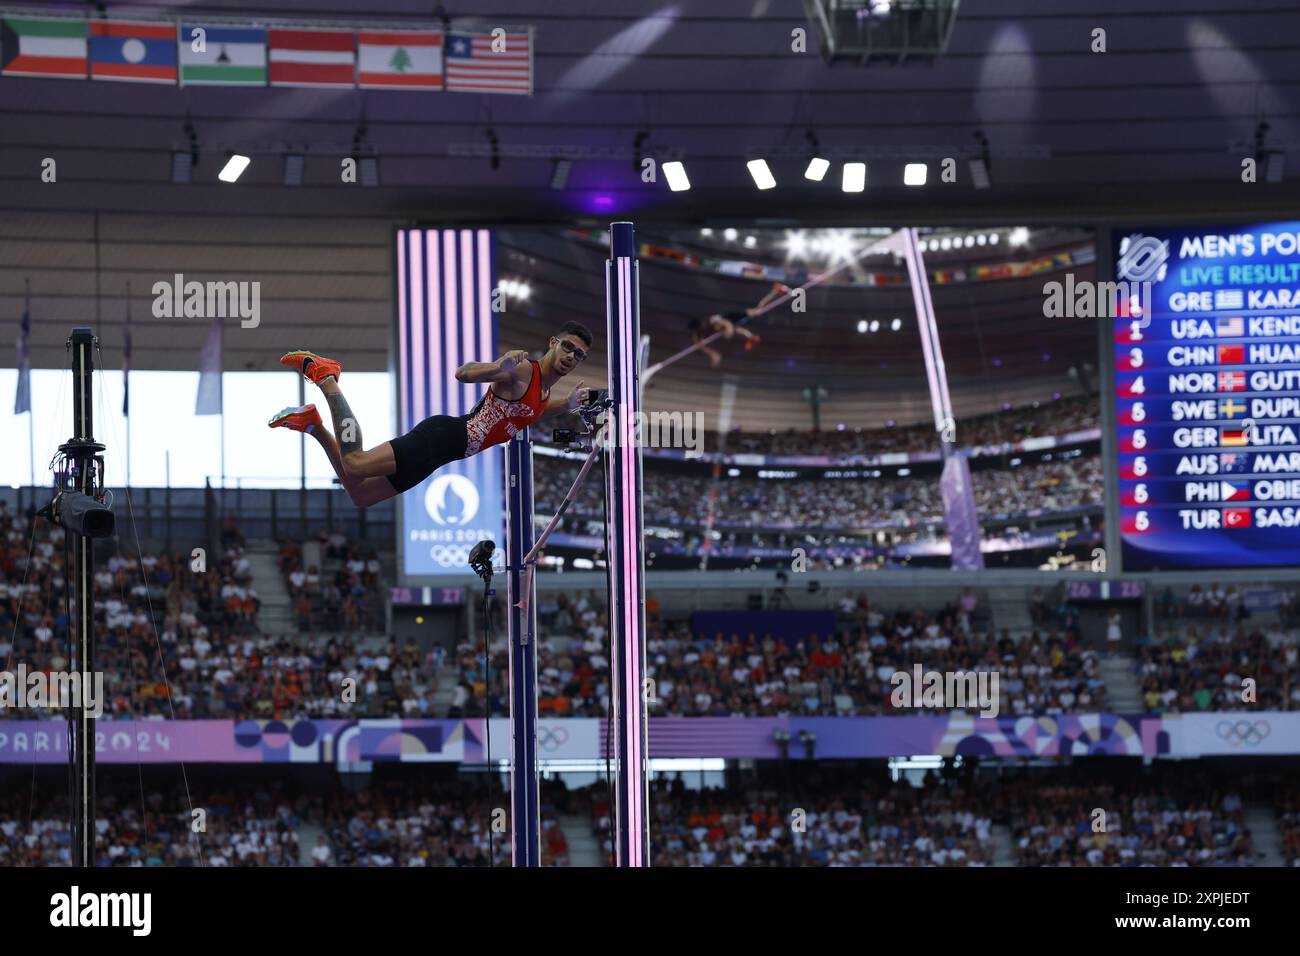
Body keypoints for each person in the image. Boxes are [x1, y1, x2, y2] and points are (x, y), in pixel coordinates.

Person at [268, 321, 594, 507]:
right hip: (444, 436)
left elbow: (533, 411)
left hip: (441, 456)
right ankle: (327, 378)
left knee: (359, 494)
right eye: (568, 347)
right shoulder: (522, 371)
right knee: (354, 464)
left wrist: (567, 405)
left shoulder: (544, 394)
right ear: (553, 342)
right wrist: (498, 367)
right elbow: (463, 374)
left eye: (578, 355)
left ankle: (313, 425)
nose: (571, 356)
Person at [687, 283, 785, 367]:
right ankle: (751, 337)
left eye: (702, 326)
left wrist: (728, 333)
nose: (702, 328)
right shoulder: (697, 332)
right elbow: (699, 344)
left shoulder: (711, 320)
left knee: (757, 311)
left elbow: (726, 323)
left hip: (730, 317)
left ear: (701, 324)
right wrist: (713, 354)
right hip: (725, 324)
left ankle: (775, 290)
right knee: (736, 329)